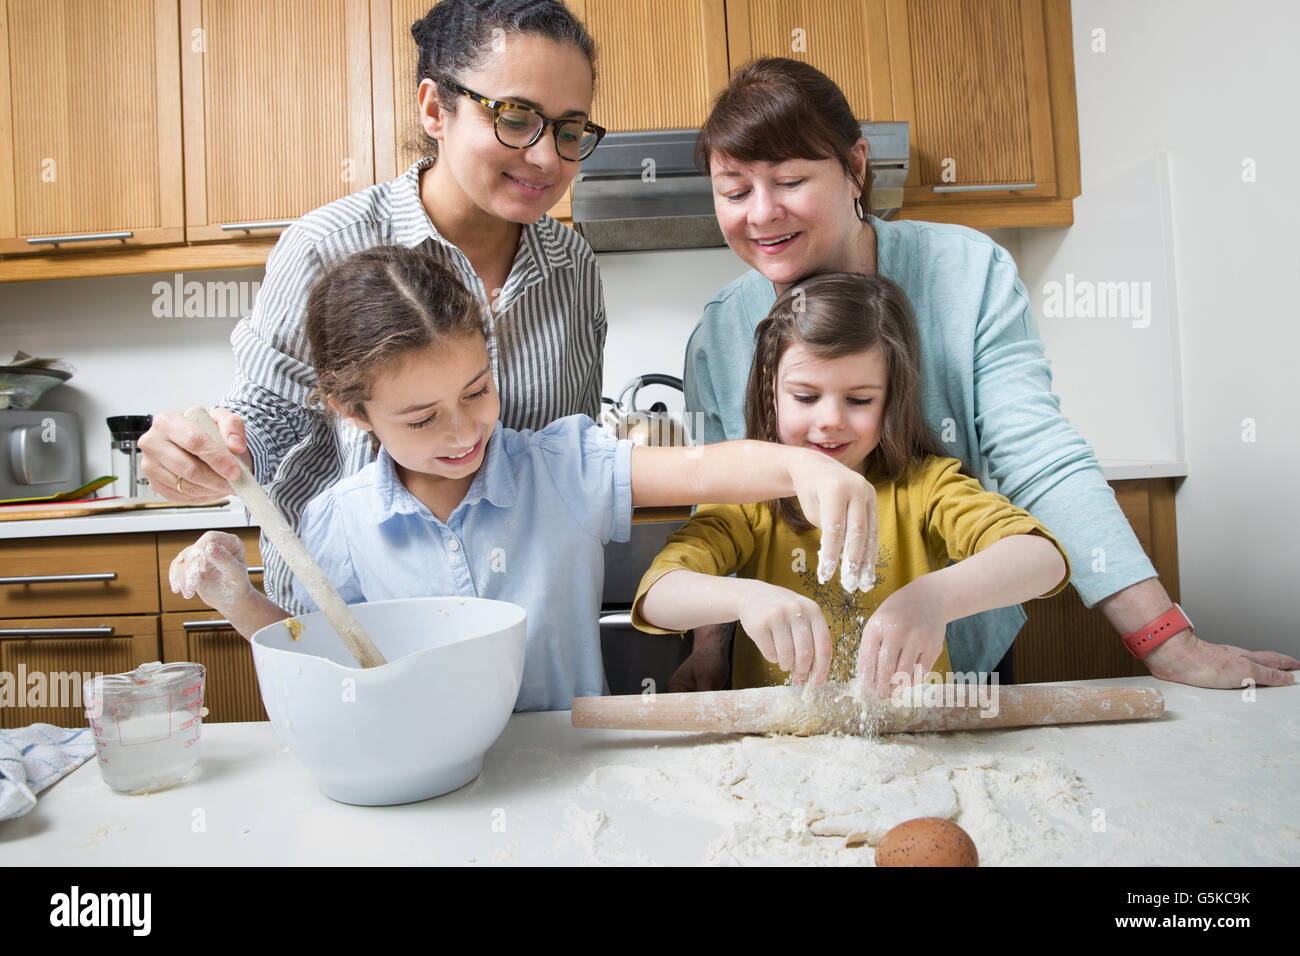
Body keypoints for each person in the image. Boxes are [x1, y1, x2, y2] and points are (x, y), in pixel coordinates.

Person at [676, 57, 1297, 691]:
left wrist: (1167, 640)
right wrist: (709, 652)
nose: (761, 214)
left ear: (856, 166)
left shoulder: (967, 274)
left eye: (789, 180)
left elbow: (1039, 458)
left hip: (955, 653)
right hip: (791, 674)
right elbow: (721, 505)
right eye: (735, 192)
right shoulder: (722, 333)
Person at [167, 248, 879, 712]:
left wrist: (799, 464)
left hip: (574, 772)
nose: (462, 432)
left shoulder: (563, 468)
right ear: (353, 413)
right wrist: (238, 599)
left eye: (477, 391)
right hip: (429, 788)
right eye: (421, 418)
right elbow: (325, 659)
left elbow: (705, 467)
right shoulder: (338, 521)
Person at [140, 0, 611, 615]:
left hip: (524, 623)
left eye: (570, 130)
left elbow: (569, 453)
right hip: (353, 632)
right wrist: (209, 452)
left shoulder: (572, 267)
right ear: (435, 109)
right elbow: (271, 420)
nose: (548, 158)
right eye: (516, 118)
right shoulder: (325, 246)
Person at [634, 273, 1070, 697]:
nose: (830, 420)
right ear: (771, 392)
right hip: (777, 750)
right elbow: (657, 595)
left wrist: (935, 598)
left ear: (891, 398)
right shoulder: (750, 501)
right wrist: (744, 598)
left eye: (859, 400)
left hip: (913, 745)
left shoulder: (927, 487)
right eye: (805, 397)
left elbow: (1042, 558)